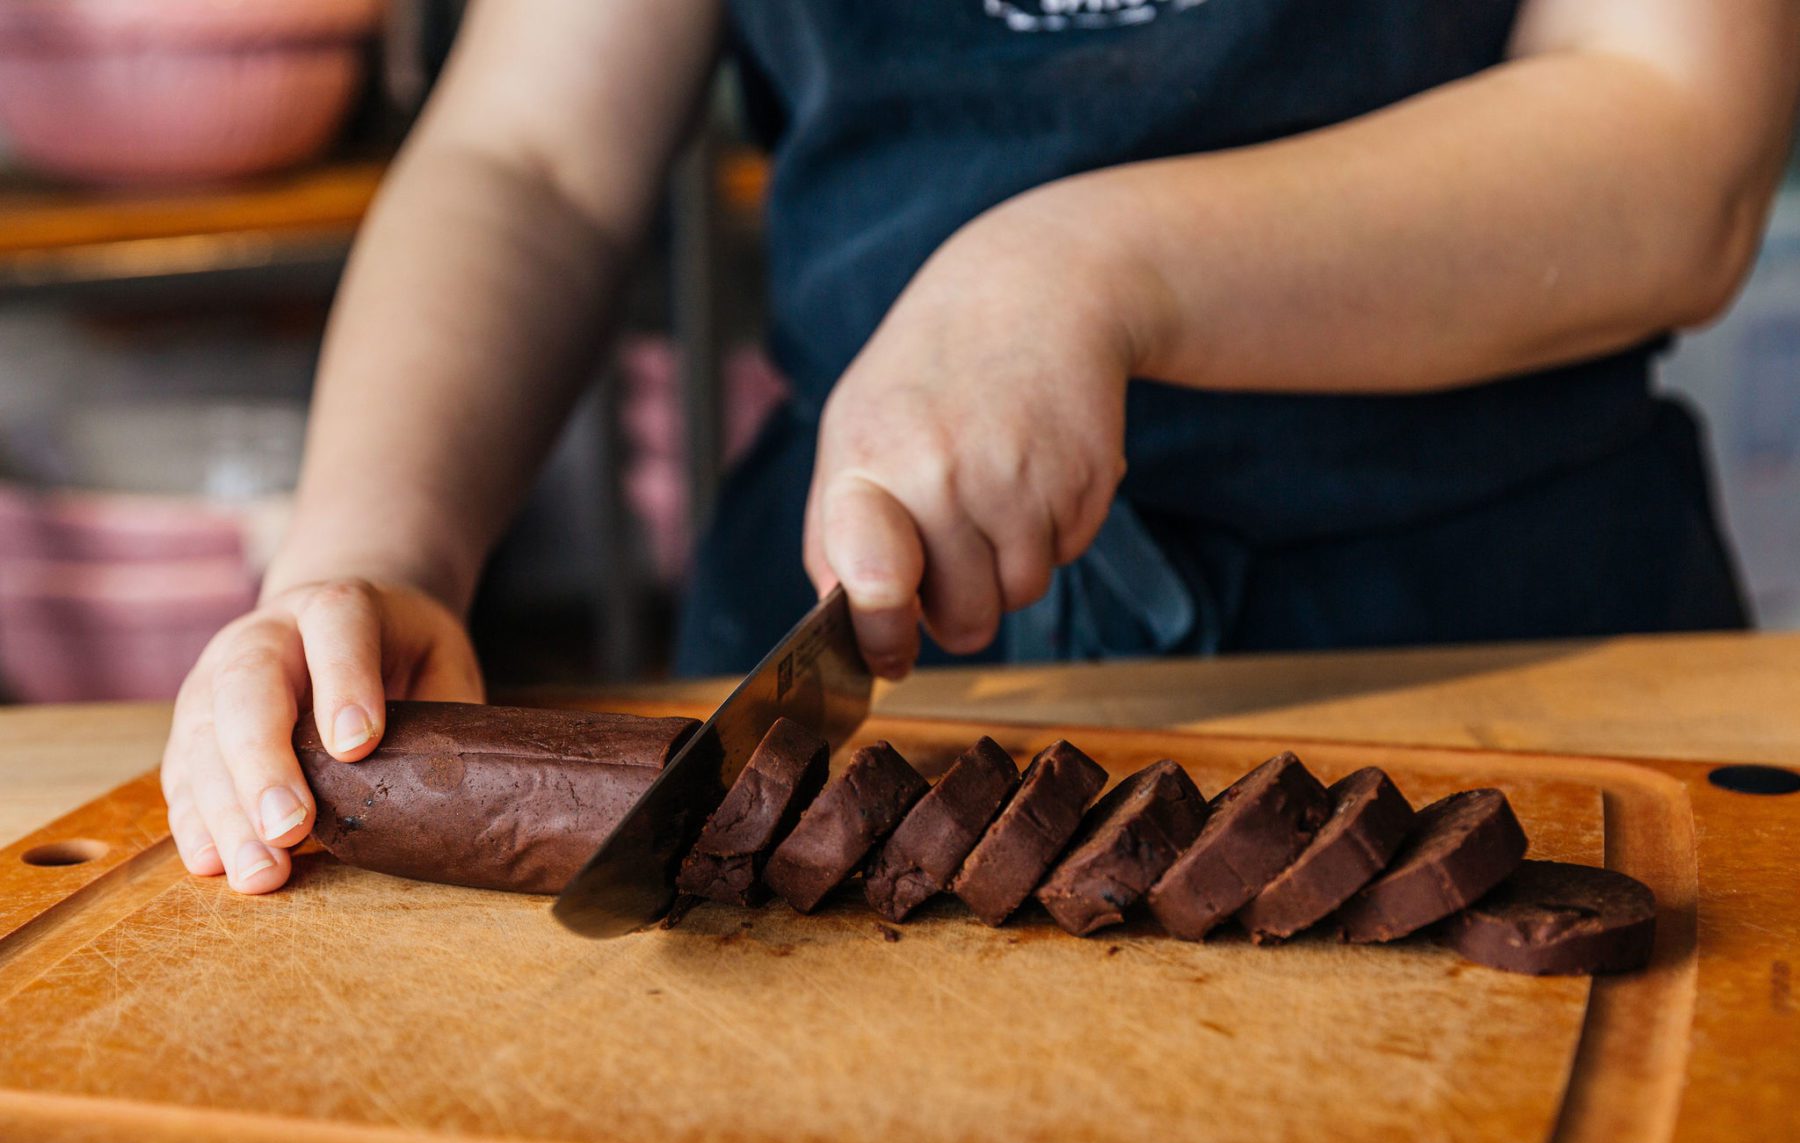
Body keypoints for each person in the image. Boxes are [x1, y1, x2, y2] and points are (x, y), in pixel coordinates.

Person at [161, 0, 1800, 893]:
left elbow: (1676, 134)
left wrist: (1088, 272)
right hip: (857, 645)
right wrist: (369, 547)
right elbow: (528, 159)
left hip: (1491, 627)